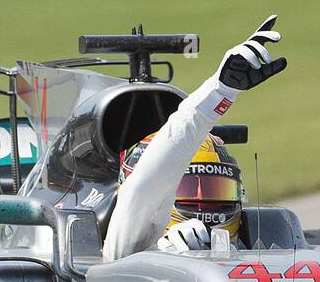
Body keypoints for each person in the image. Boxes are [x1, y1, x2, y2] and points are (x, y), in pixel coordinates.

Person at [101, 16, 288, 261]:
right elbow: (149, 183)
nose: (202, 204)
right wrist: (220, 92)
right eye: (186, 187)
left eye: (215, 187)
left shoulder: (257, 253)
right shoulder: (123, 253)